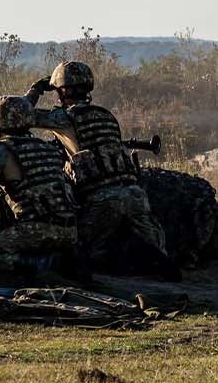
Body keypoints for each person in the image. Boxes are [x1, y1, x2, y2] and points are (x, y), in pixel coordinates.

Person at [25, 61, 177, 280]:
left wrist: (37, 89)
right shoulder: (106, 115)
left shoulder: (64, 118)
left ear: (63, 90)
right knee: (159, 253)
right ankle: (154, 264)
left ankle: (125, 264)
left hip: (101, 198)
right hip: (134, 193)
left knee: (85, 254)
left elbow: (20, 114)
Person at [0, 95, 81, 282]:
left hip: (36, 229)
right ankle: (64, 256)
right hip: (70, 231)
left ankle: (42, 265)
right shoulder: (47, 148)